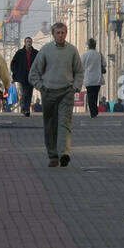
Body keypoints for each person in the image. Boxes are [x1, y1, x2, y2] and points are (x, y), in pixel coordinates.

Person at [28, 22, 84, 167]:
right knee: (50, 125)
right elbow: (34, 73)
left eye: (63, 32)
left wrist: (75, 87)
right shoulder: (46, 50)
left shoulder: (72, 50)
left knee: (64, 123)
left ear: (66, 33)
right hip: (49, 92)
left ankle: (64, 153)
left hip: (67, 91)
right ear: (53, 35)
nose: (60, 35)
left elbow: (79, 71)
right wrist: (41, 87)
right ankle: (53, 155)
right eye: (58, 33)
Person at [10, 37, 39, 117]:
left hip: (32, 75)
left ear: (32, 42)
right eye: (27, 41)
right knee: (24, 93)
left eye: (30, 41)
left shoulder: (36, 53)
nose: (29, 43)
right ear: (24, 43)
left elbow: (40, 63)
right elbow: (13, 64)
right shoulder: (20, 52)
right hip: (22, 75)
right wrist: (16, 73)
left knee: (29, 92)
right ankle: (24, 109)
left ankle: (26, 109)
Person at [81, 38, 107, 118]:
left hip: (88, 78)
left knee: (90, 95)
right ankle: (95, 111)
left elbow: (81, 66)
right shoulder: (99, 54)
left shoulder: (85, 55)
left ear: (88, 46)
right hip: (97, 78)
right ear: (95, 45)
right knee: (95, 95)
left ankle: (93, 112)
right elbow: (104, 64)